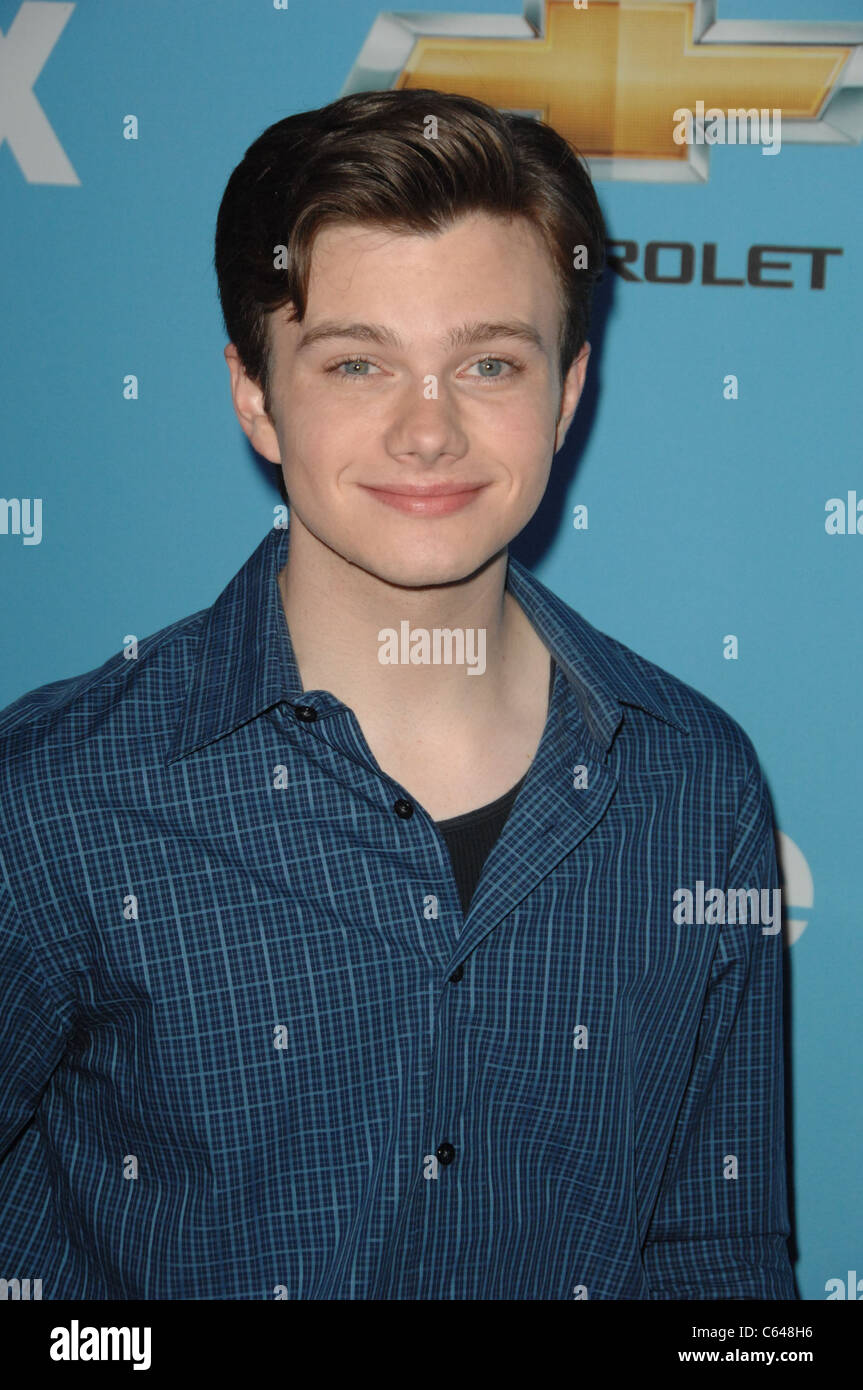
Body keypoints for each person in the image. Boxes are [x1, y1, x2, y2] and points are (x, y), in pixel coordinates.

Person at [0, 88, 795, 1300]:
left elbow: (718, 1266)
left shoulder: (698, 786)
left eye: (486, 361)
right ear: (255, 393)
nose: (428, 432)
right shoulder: (52, 795)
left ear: (567, 391)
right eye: (358, 361)